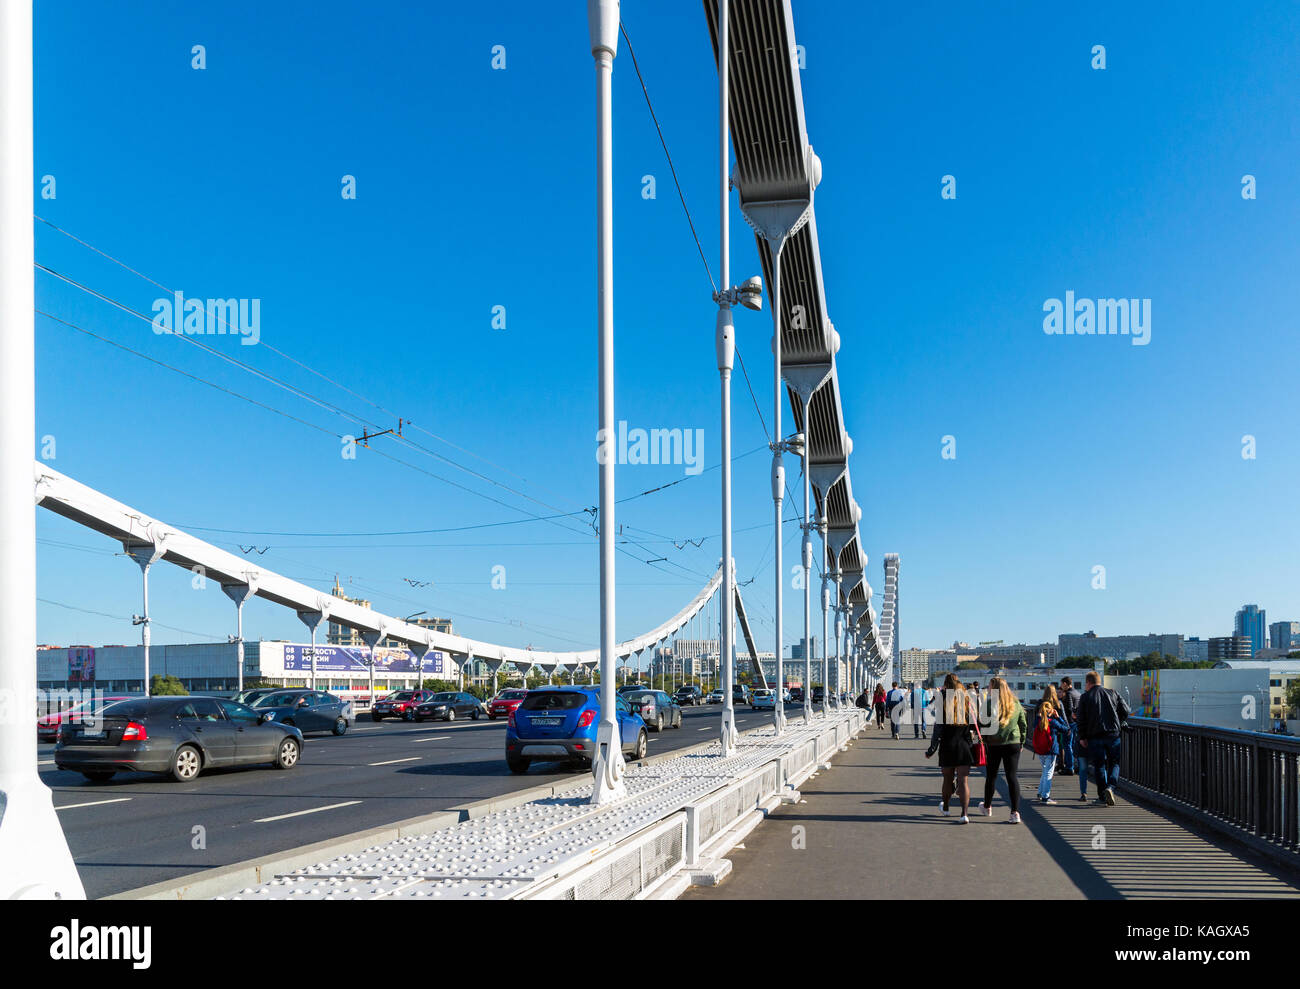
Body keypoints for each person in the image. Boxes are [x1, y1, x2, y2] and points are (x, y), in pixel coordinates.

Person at [924, 673, 980, 823]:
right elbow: (975, 724)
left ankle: (947, 808)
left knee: (947, 780)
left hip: (947, 745)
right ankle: (964, 814)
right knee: (963, 781)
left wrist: (931, 749)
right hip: (964, 745)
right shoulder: (968, 701)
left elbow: (938, 730)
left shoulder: (943, 702)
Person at [1077, 670, 1131, 806]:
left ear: (1088, 683)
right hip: (1113, 734)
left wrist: (1082, 737)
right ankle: (1111, 787)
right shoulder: (1113, 693)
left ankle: (1102, 797)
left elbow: (1081, 719)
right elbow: (1126, 710)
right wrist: (1119, 721)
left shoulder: (1085, 697)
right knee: (1115, 763)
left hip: (1095, 736)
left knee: (1099, 766)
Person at [979, 677, 1028, 823]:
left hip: (994, 744)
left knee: (991, 776)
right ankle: (1015, 812)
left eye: (989, 686)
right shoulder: (1015, 703)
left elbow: (984, 725)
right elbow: (1023, 724)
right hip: (1013, 742)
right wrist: (1022, 742)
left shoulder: (989, 704)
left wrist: (984, 739)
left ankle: (987, 806)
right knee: (1012, 777)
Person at [1031, 686, 1069, 804]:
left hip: (1040, 749)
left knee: (1044, 770)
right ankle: (1045, 797)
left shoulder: (1038, 720)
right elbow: (1066, 728)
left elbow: (1033, 727)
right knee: (1048, 773)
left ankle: (1040, 792)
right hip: (1051, 748)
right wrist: (1059, 717)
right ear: (1051, 710)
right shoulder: (1053, 722)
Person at [1056, 676, 1082, 776]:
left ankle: (1069, 767)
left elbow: (1070, 709)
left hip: (1069, 723)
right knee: (1075, 745)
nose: (1061, 687)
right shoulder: (1077, 693)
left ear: (1065, 684)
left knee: (1067, 745)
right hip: (1076, 723)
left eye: (1062, 684)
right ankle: (1078, 766)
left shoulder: (1069, 694)